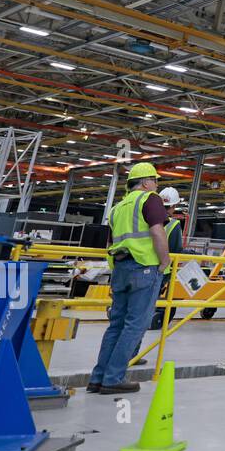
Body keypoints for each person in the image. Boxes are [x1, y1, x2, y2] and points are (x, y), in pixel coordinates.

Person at [88, 162, 171, 394]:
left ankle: (98, 377)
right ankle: (114, 379)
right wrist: (164, 261)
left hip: (121, 268)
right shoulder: (150, 199)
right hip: (144, 266)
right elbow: (157, 231)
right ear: (146, 182)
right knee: (136, 325)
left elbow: (111, 242)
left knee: (116, 325)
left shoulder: (117, 207)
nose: (156, 185)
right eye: (155, 180)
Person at [149, 187, 187, 331]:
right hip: (163, 269)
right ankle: (158, 314)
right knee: (166, 295)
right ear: (173, 206)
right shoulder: (173, 224)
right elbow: (175, 249)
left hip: (145, 263)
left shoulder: (147, 218)